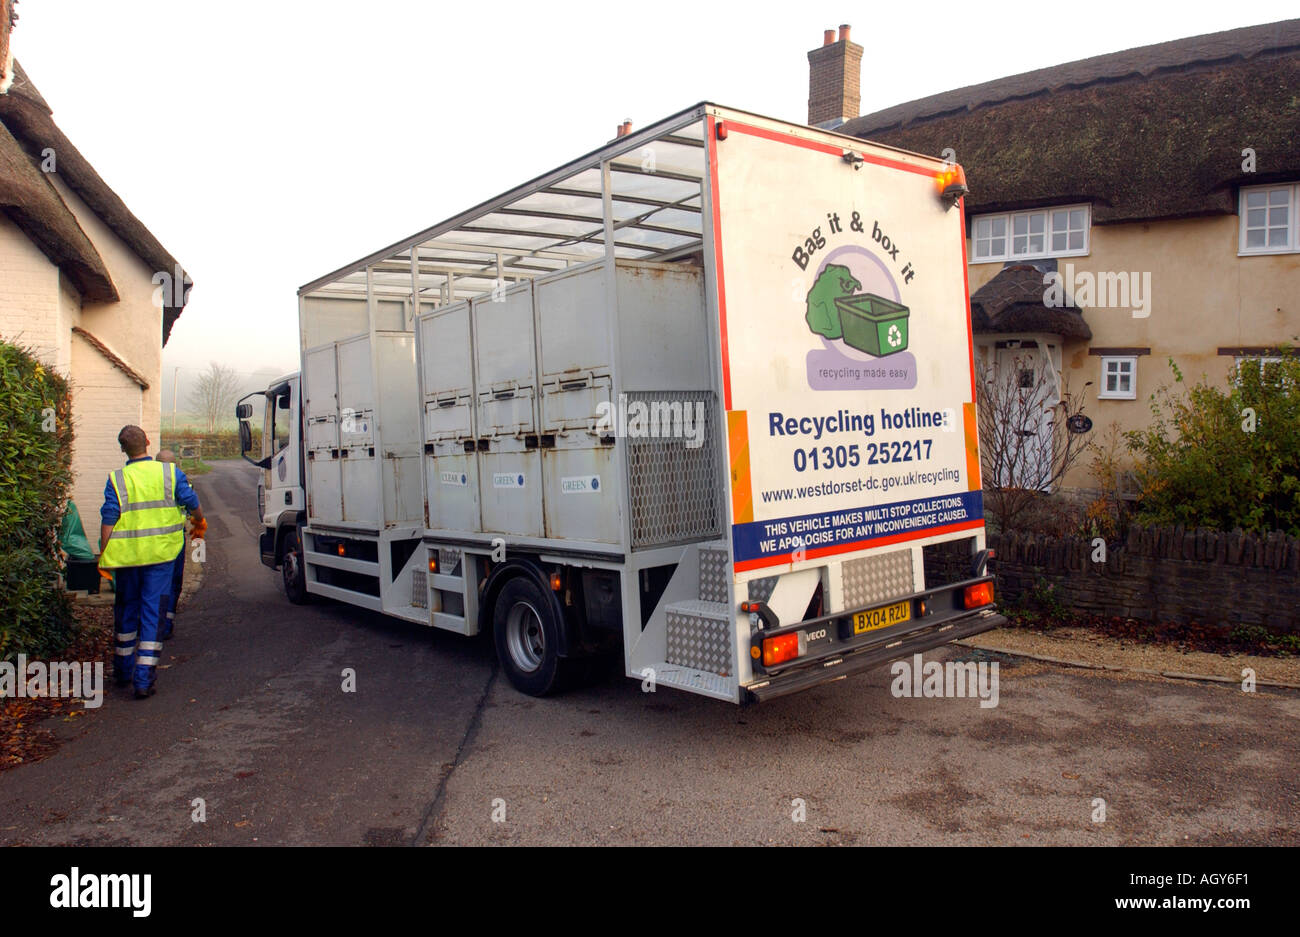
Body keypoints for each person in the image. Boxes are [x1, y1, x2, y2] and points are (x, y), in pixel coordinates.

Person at [99, 426, 204, 699]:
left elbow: (109, 520)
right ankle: (143, 679)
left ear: (122, 449)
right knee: (152, 611)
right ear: (147, 442)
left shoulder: (117, 479)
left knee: (126, 610)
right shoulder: (169, 473)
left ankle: (122, 671)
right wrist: (199, 520)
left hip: (128, 558)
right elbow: (191, 502)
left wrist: (104, 557)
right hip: (161, 556)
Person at [154, 449, 203, 640]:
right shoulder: (178, 478)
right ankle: (166, 625)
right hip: (172, 540)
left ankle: (148, 624)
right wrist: (199, 520)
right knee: (173, 584)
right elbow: (191, 503)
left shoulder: (146, 481)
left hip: (145, 541)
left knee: (151, 584)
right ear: (176, 464)